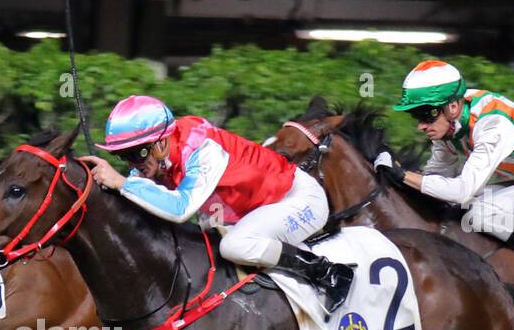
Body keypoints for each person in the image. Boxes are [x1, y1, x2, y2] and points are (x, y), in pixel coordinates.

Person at [81, 95, 352, 315]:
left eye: (137, 153)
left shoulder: (202, 149)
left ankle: (328, 273)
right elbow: (142, 196)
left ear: (162, 142)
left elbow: (180, 209)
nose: (132, 165)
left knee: (235, 246)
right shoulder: (158, 157)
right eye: (123, 156)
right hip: (256, 209)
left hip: (299, 201)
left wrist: (121, 183)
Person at [375, 60, 514, 296]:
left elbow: (461, 191)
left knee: (482, 212)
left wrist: (403, 175)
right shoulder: (449, 126)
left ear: (453, 106)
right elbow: (435, 178)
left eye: (425, 114)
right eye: (415, 115)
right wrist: (397, 178)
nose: (420, 125)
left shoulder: (493, 125)